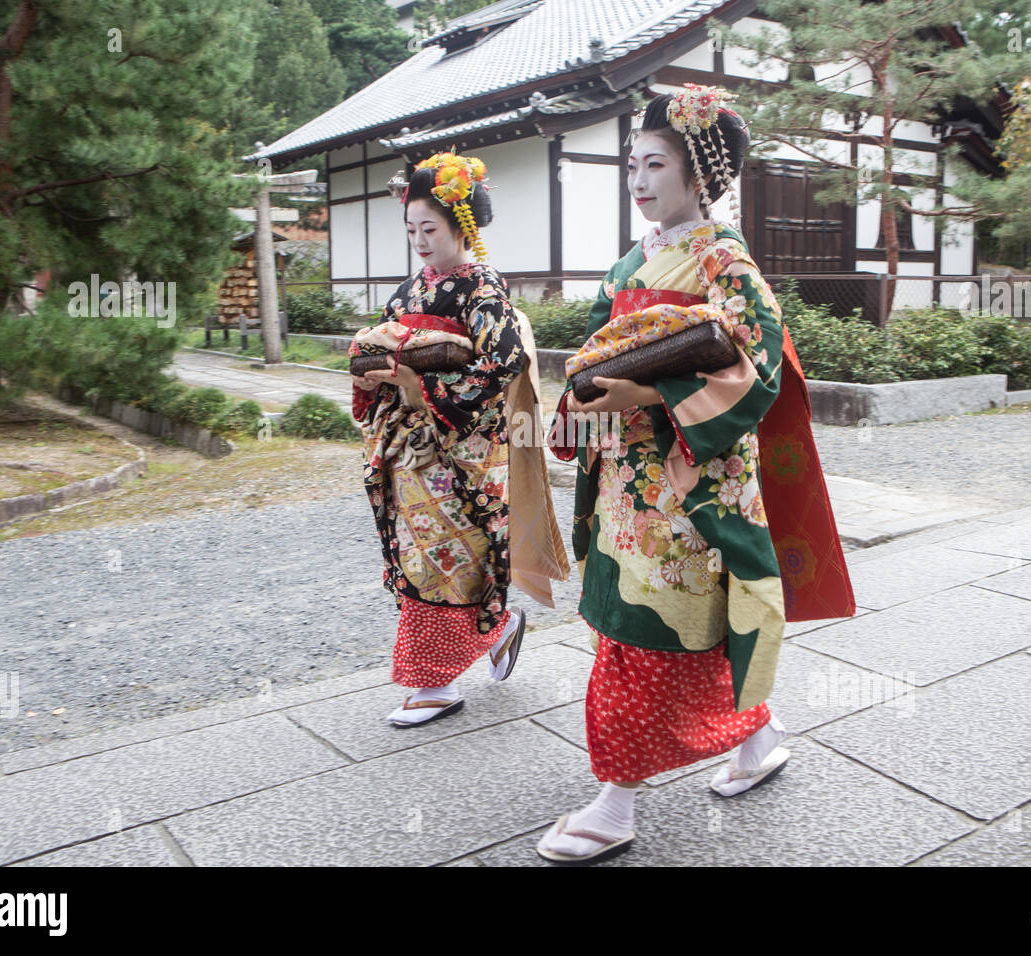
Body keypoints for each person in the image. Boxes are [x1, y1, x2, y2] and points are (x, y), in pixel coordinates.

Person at [537, 85, 855, 863]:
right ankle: (757, 739)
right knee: (638, 616)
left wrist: (647, 391)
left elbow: (760, 364)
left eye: (655, 165)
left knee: (650, 625)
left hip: (687, 476)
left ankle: (616, 800)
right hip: (625, 473)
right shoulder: (629, 264)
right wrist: (580, 407)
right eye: (632, 166)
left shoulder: (724, 259)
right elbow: (591, 354)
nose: (639, 181)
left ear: (700, 172)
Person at [350, 151, 563, 727]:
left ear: (461, 226)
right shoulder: (407, 293)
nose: (420, 241)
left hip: (461, 447)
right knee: (425, 553)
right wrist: (376, 373)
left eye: (431, 229)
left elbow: (499, 364)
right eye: (412, 230)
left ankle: (435, 681)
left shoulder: (482, 291)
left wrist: (422, 387)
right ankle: (496, 629)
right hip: (409, 442)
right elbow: (383, 346)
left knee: (441, 558)